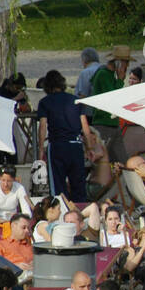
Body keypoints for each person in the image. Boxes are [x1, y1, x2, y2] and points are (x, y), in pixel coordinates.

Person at [36, 69, 95, 202]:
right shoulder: (75, 101)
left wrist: (41, 149)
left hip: (57, 145)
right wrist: (90, 148)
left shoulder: (45, 102)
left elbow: (43, 126)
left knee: (58, 187)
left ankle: (62, 214)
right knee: (79, 185)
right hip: (76, 145)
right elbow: (85, 126)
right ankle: (80, 214)